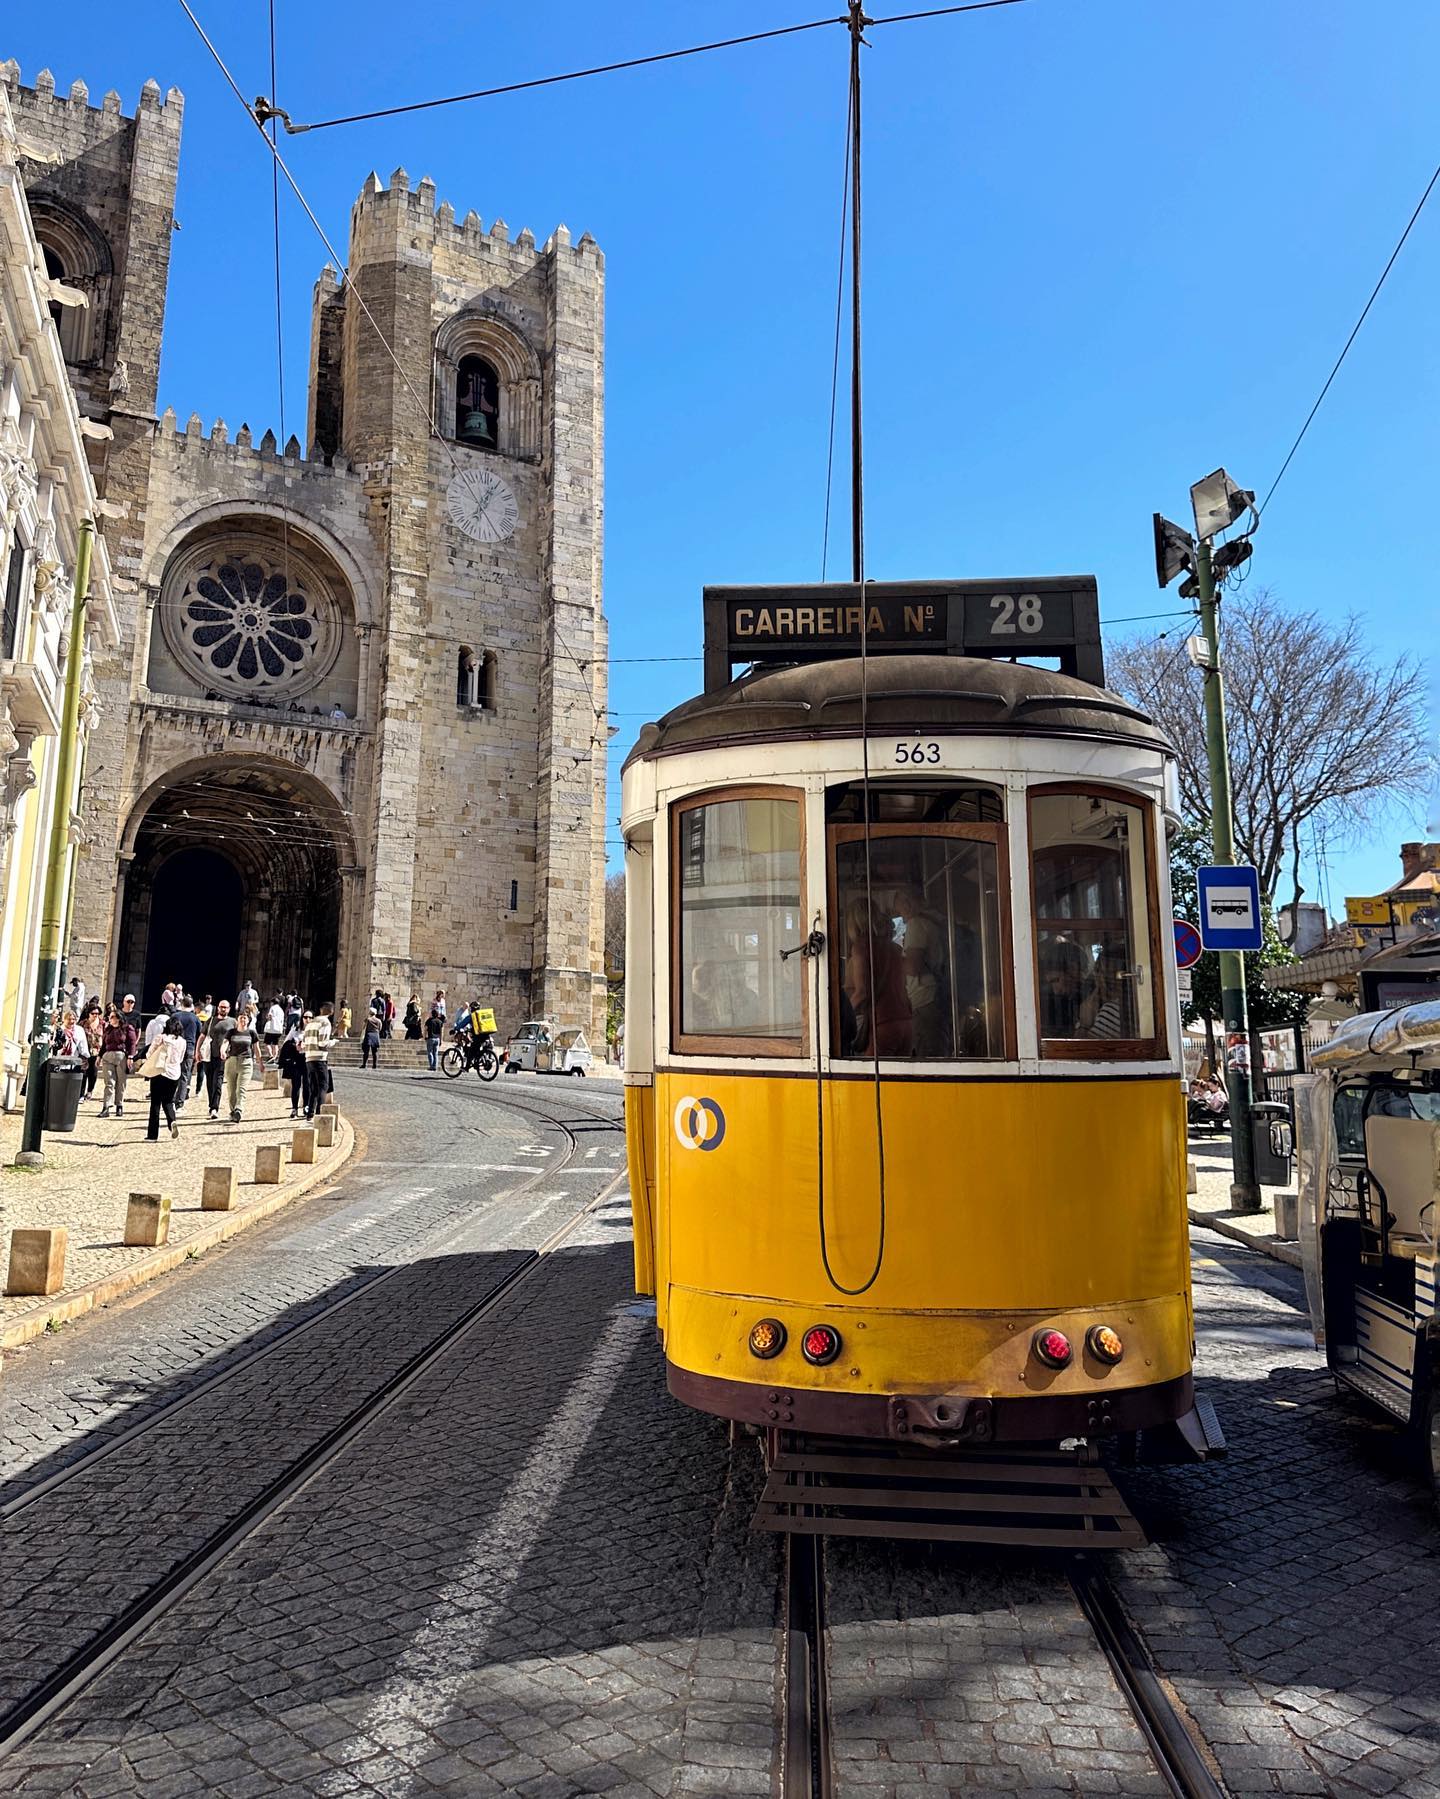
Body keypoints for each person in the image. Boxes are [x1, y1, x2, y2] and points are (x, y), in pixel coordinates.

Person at [843, 895, 912, 1057]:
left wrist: (842, 1015)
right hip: (905, 1022)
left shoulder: (861, 947)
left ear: (853, 921)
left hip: (882, 1023)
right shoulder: (894, 948)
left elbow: (862, 992)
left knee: (872, 1081)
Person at [143, 1015, 186, 1141]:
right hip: (174, 1073)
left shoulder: (160, 1038)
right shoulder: (182, 1042)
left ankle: (152, 1135)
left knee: (155, 1103)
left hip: (160, 1072)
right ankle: (172, 1121)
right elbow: (181, 1058)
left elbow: (149, 1053)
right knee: (168, 1101)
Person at [98, 1004, 138, 1116]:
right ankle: (106, 1106)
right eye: (109, 1017)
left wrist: (130, 1056)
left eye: (112, 1017)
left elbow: (132, 1043)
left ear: (118, 1018)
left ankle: (119, 1105)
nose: (110, 1019)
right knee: (109, 1082)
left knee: (121, 1082)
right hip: (108, 1056)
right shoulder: (108, 1029)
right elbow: (104, 1044)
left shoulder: (127, 1028)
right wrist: (99, 1056)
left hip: (121, 1057)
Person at [222, 1007, 258, 1122]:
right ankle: (233, 1111)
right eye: (241, 1017)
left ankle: (239, 1109)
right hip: (232, 1061)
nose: (243, 1020)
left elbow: (256, 1049)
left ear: (248, 1020)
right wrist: (222, 1051)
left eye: (245, 1018)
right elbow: (225, 1043)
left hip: (246, 1062)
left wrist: (260, 1062)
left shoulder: (252, 1033)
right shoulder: (231, 1032)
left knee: (241, 1088)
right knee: (231, 1090)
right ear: (237, 1019)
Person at [301, 1004, 333, 1117]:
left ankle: (310, 1112)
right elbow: (322, 1043)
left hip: (309, 1057)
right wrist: (332, 1042)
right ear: (331, 1012)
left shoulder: (311, 1024)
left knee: (313, 1087)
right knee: (323, 1086)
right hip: (319, 1058)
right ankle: (319, 1113)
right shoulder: (325, 1023)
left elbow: (304, 1042)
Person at [203, 999, 233, 1119]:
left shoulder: (233, 1022)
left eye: (225, 1007)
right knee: (210, 1082)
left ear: (229, 1009)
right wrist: (197, 1051)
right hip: (209, 1055)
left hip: (223, 1057)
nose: (223, 1009)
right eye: (221, 1007)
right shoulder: (210, 1021)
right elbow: (202, 1036)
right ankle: (211, 1105)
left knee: (218, 1082)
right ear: (218, 1008)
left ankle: (215, 1107)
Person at [173, 993, 201, 1107]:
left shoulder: (175, 1016)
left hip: (175, 1047)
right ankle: (179, 1102)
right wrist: (197, 1051)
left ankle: (171, 1098)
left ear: (181, 1004)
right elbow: (200, 1035)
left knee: (172, 1073)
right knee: (184, 1075)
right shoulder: (195, 1018)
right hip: (189, 1047)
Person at [279, 1023, 306, 1119]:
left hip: (308, 1058)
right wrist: (295, 1046)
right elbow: (286, 1042)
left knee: (307, 1084)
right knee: (296, 1085)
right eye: (305, 1017)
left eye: (310, 1017)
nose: (307, 1019)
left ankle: (306, 1107)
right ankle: (294, 1108)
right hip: (296, 1059)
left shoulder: (313, 1029)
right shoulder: (295, 1029)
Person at [82, 1001, 104, 1096]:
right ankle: (81, 1093)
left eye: (97, 1013)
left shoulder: (103, 1024)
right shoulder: (83, 1024)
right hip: (84, 1051)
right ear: (89, 1014)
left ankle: (90, 1091)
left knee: (93, 1073)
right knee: (84, 1073)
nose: (95, 1015)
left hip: (97, 1052)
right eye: (93, 1013)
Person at [263, 997, 285, 1062]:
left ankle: (271, 1055)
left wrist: (267, 1017)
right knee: (275, 1044)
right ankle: (275, 1057)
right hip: (278, 1029)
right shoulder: (281, 1010)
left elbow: (269, 1016)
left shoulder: (272, 1008)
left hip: (271, 1028)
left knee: (267, 1043)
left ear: (272, 1003)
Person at [424, 1004, 444, 1071]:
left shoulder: (429, 1020)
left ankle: (431, 1066)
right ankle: (435, 1066)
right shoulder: (440, 1021)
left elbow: (425, 1029)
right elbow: (441, 1032)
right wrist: (441, 1040)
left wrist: (425, 1036)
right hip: (437, 1038)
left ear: (432, 1014)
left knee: (430, 1052)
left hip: (430, 1038)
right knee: (435, 1053)